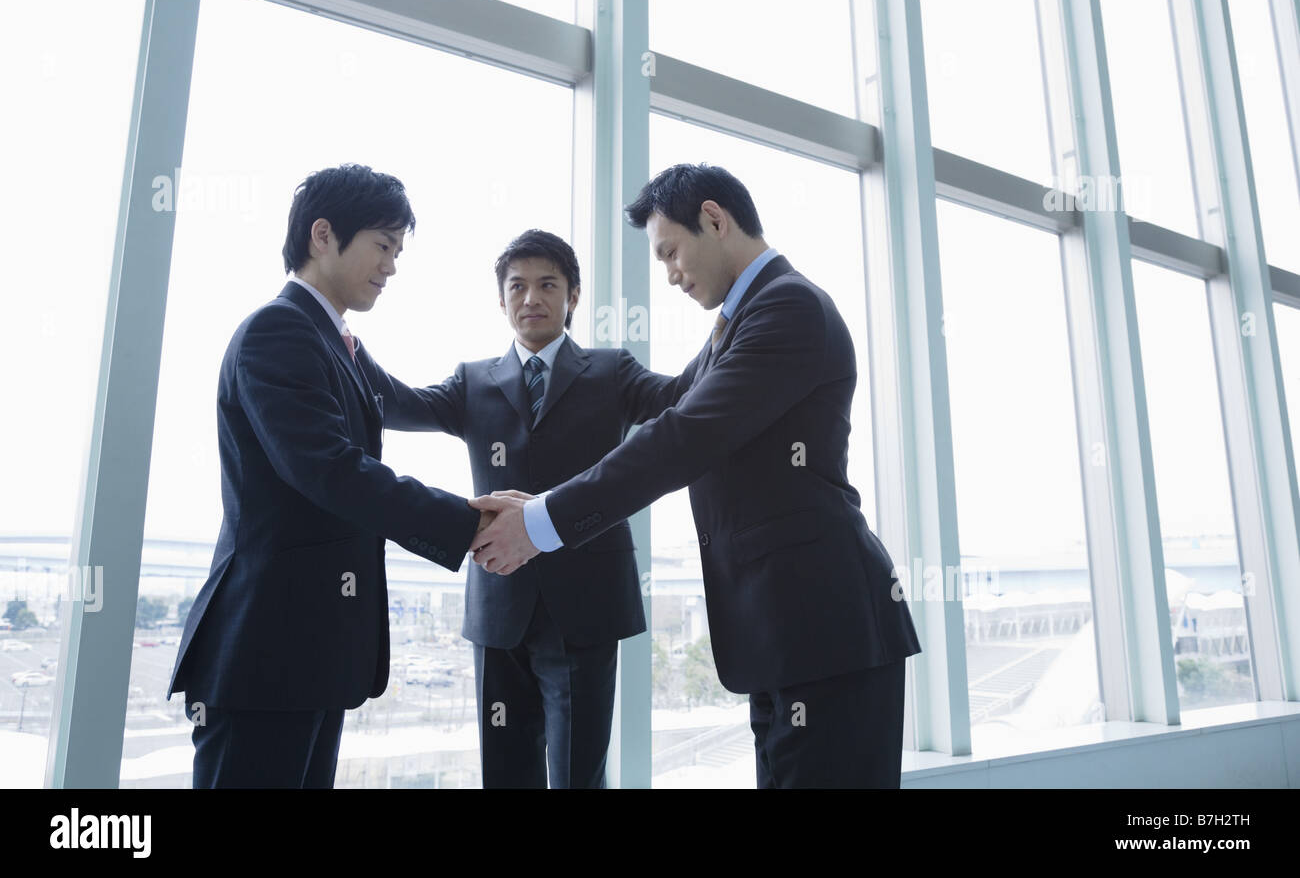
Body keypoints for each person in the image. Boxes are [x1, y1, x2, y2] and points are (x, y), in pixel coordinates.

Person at [471, 163, 923, 788]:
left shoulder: (786, 307)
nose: (671, 274)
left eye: (670, 252)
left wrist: (544, 521)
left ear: (714, 219)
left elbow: (683, 436)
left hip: (825, 628)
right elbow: (674, 406)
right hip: (786, 634)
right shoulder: (734, 327)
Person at [167, 163, 487, 788]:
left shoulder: (335, 341)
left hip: (309, 655)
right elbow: (330, 472)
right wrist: (467, 522)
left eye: (397, 249)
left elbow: (413, 403)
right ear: (323, 235)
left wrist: (514, 380)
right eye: (383, 244)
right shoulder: (278, 332)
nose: (392, 265)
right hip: (265, 652)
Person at [369, 229, 688, 787]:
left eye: (548, 285)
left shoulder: (613, 372)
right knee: (506, 773)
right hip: (500, 604)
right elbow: (399, 405)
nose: (531, 299)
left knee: (577, 774)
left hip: (587, 605)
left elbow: (683, 398)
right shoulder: (472, 381)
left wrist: (729, 339)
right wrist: (343, 343)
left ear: (573, 296)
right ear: (501, 300)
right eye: (517, 287)